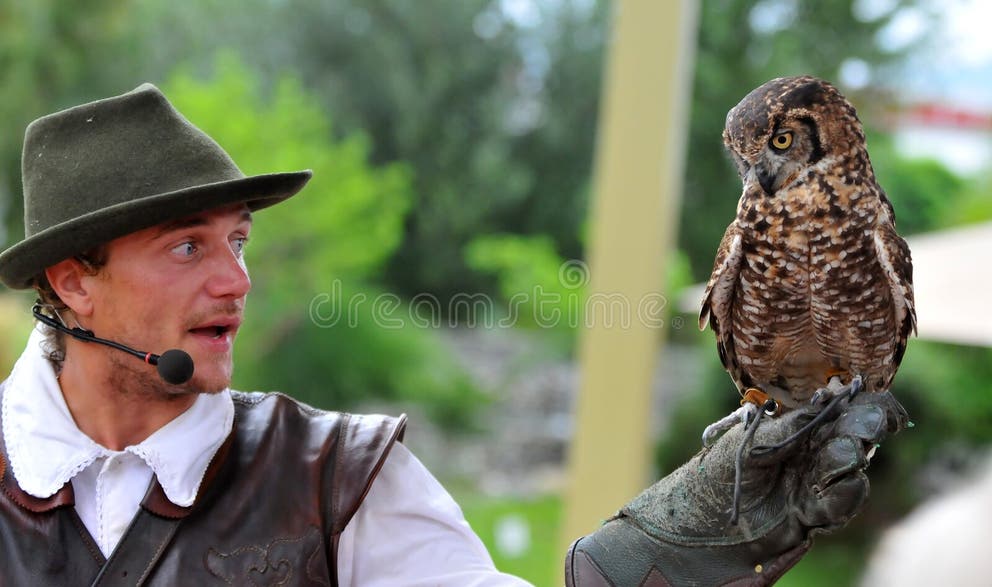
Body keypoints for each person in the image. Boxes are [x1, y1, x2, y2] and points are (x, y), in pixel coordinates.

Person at [0, 84, 907, 586]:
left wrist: (653, 557)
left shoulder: (339, 478)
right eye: (188, 246)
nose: (236, 278)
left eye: (240, 239)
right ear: (73, 278)